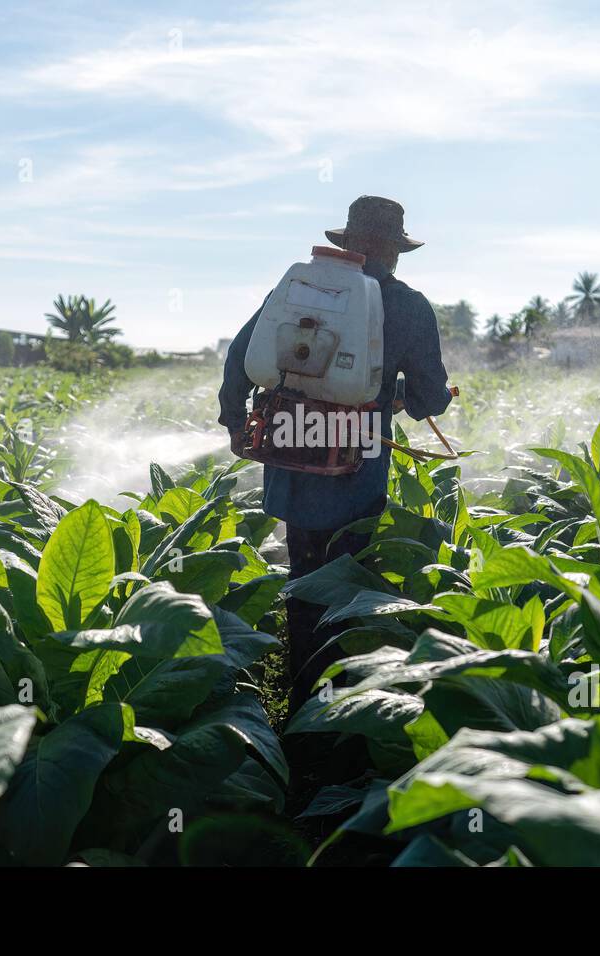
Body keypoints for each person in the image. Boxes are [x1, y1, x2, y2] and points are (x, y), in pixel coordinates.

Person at [218, 196, 452, 713]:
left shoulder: (302, 289)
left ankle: (301, 688)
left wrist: (235, 421)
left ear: (347, 244)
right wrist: (405, 398)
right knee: (346, 571)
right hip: (356, 455)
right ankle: (335, 699)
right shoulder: (408, 306)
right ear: (393, 252)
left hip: (291, 442)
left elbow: (241, 356)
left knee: (302, 566)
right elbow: (430, 397)